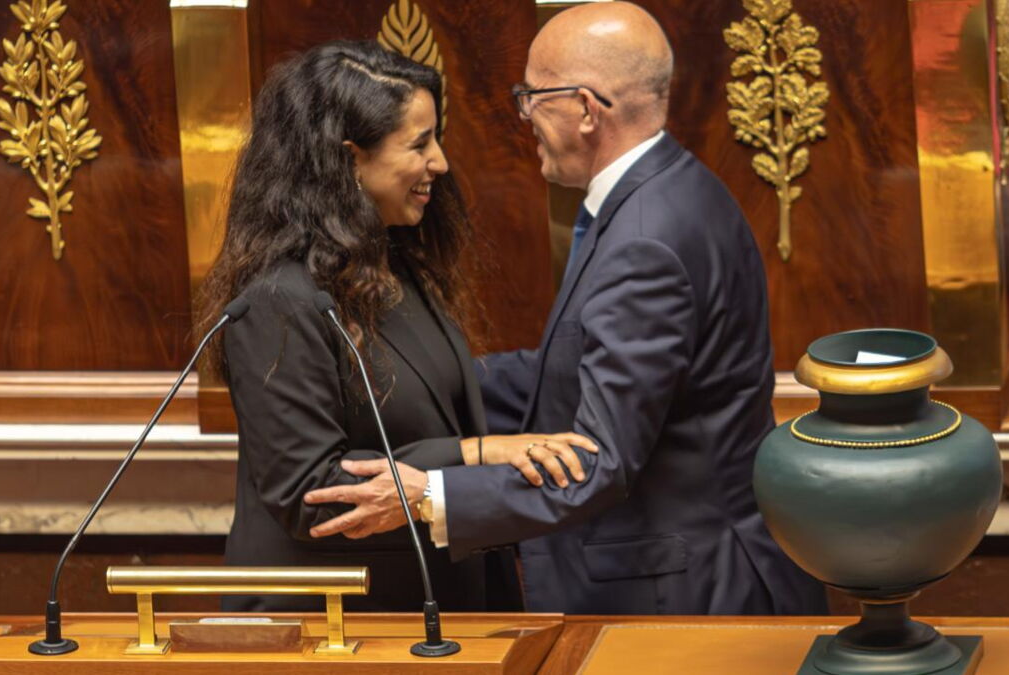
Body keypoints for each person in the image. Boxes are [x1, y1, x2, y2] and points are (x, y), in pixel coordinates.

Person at [305, 4, 827, 615]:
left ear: (583, 107)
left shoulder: (645, 238)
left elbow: (603, 463)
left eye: (532, 95)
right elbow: (578, 362)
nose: (523, 113)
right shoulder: (670, 190)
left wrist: (429, 495)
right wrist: (425, 383)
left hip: (686, 593)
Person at [201, 40, 596, 613]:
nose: (440, 162)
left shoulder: (394, 268)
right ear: (348, 159)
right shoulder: (277, 300)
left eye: (437, 138)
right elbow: (312, 495)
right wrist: (478, 454)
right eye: (419, 144)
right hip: (335, 625)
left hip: (433, 606)